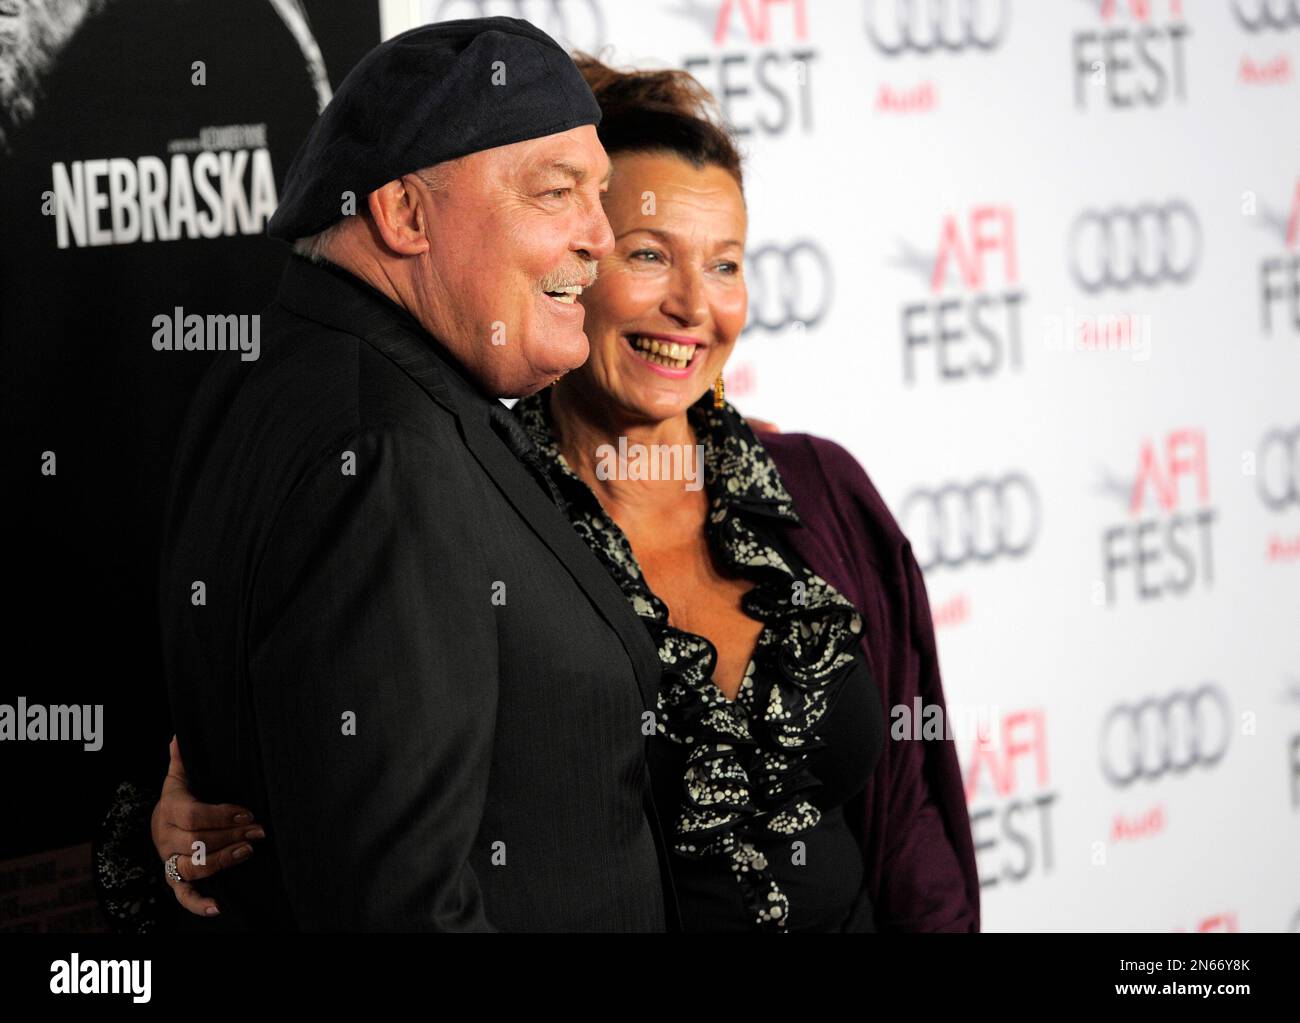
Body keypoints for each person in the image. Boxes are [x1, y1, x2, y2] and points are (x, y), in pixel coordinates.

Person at [103, 52, 981, 933]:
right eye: (645, 252)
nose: (690, 304)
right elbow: (373, 802)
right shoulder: (479, 492)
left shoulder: (818, 493)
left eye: (724, 264)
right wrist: (198, 825)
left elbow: (907, 816)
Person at [111, 18, 683, 932]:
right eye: (556, 192)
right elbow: (400, 906)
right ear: (404, 214)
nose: (601, 238)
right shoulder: (386, 455)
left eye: (600, 194)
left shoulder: (267, 374)